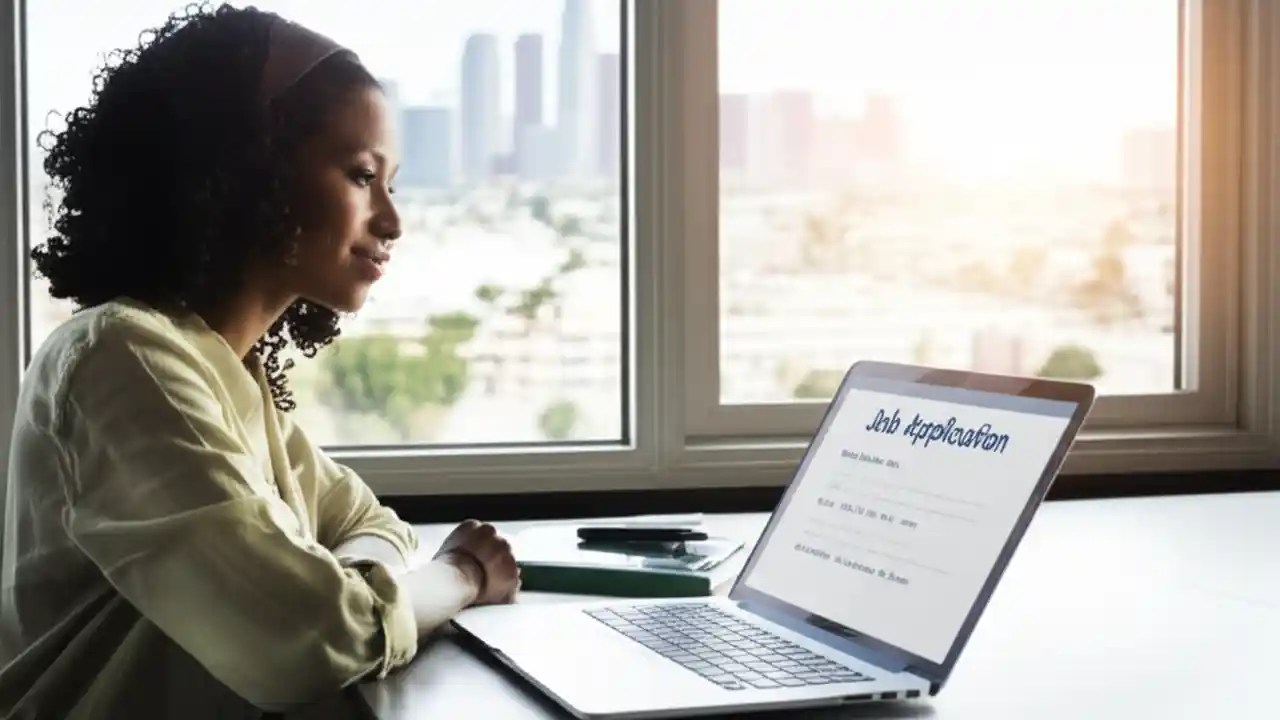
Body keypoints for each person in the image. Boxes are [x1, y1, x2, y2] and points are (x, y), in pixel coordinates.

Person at [0, 4, 520, 718]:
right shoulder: (123, 361)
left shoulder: (228, 375)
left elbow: (376, 526)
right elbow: (313, 639)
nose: (392, 222)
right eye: (361, 176)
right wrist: (459, 574)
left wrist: (342, 588)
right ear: (250, 172)